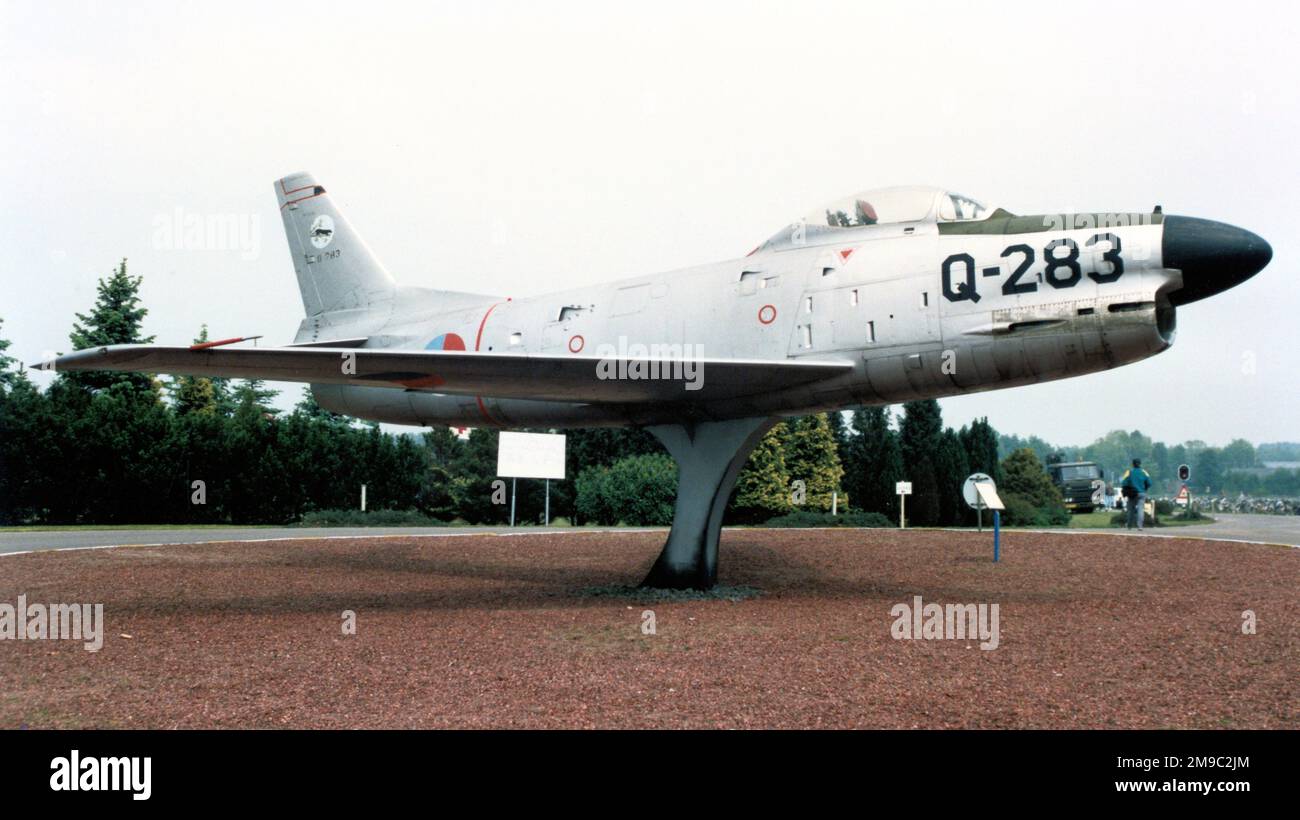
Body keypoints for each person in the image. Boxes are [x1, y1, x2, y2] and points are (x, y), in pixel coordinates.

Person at [1119, 459, 1153, 530]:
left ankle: (1129, 526)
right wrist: (1144, 487)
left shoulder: (1129, 472)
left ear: (1133, 464)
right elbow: (1150, 483)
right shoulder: (1144, 472)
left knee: (1131, 509)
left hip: (1132, 494)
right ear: (1140, 464)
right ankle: (1140, 526)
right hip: (1142, 493)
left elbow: (1124, 482)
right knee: (1140, 509)